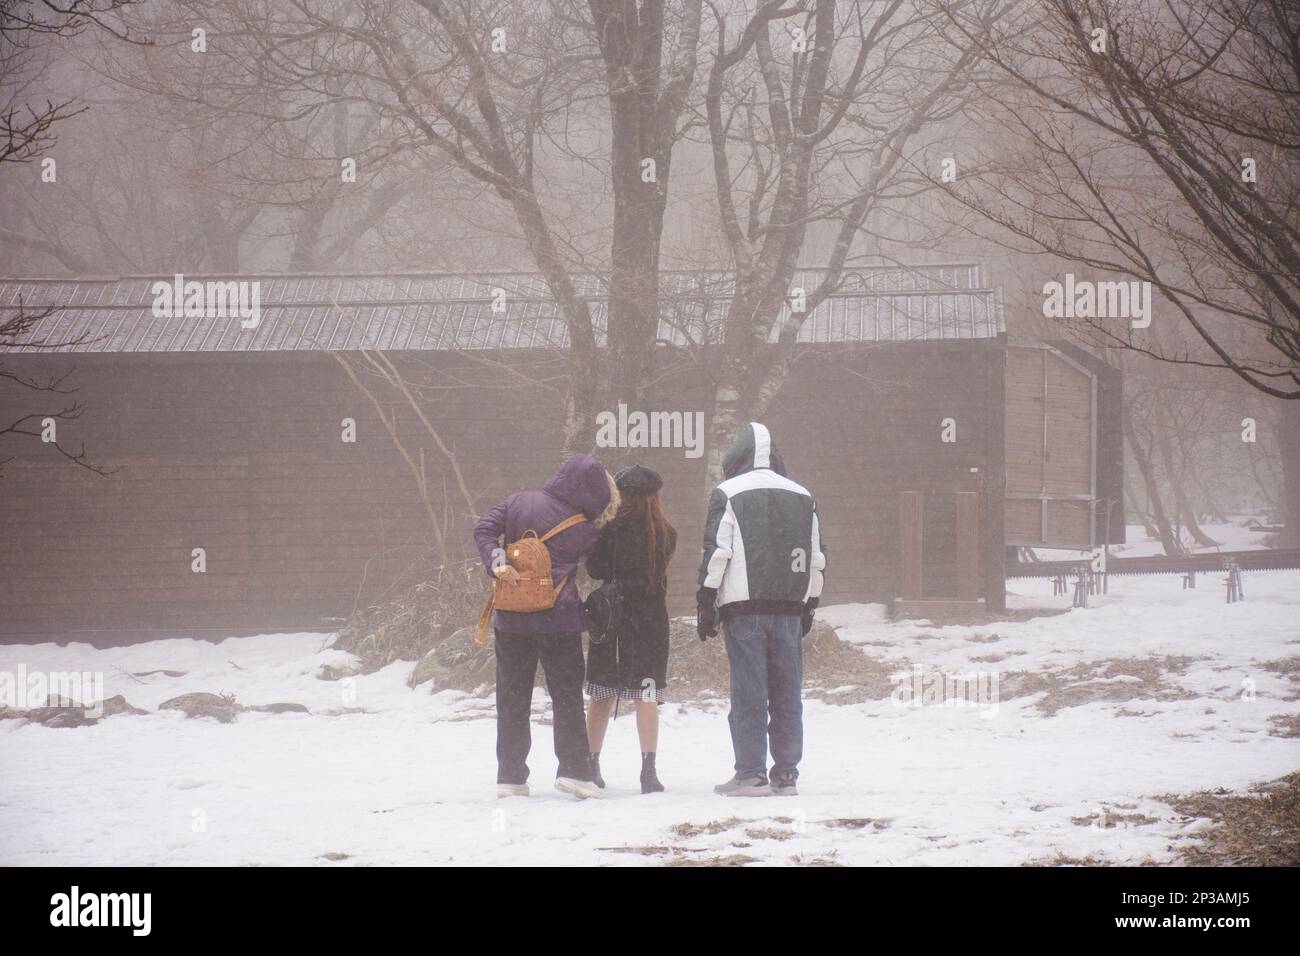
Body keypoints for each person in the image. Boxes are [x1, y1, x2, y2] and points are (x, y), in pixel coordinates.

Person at [473, 453, 619, 800]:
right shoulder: (584, 528)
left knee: (511, 697)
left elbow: (484, 528)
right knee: (565, 697)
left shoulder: (517, 501)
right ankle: (574, 772)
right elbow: (599, 566)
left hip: (511, 618)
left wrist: (498, 561)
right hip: (559, 621)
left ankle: (510, 776)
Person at [696, 422, 826, 797]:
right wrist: (810, 602)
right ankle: (786, 774)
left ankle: (750, 773)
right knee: (788, 692)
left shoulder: (728, 493)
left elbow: (718, 552)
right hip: (790, 609)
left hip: (744, 611)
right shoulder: (803, 495)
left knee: (749, 691)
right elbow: (816, 557)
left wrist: (706, 601)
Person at [584, 465, 677, 795]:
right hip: (650, 620)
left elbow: (595, 569)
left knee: (602, 693)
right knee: (646, 694)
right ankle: (648, 770)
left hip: (612, 617)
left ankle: (590, 765)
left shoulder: (609, 530)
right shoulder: (666, 533)